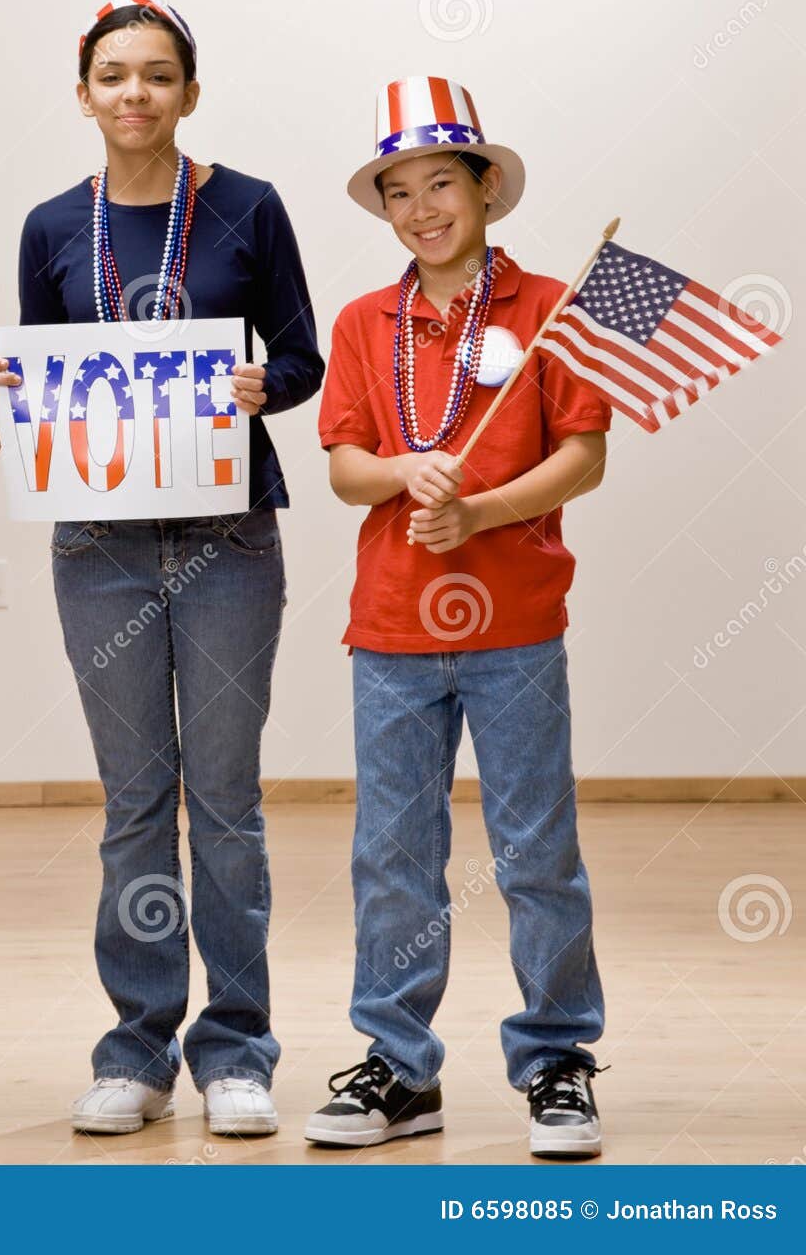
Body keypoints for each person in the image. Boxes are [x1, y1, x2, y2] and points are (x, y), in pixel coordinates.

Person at [0, 0, 324, 1137]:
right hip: (100, 544)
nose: (136, 93)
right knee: (134, 802)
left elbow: (304, 356)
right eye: (114, 75)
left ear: (190, 91)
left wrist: (265, 386)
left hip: (227, 534)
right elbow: (46, 375)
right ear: (84, 94)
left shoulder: (247, 205)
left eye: (158, 74)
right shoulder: (49, 225)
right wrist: (15, 397)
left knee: (224, 799)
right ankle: (135, 1047)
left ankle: (235, 1049)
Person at [306, 76, 610, 1158]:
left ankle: (558, 1059)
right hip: (391, 629)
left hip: (516, 624)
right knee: (393, 852)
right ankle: (398, 1065)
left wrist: (479, 509)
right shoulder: (363, 321)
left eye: (441, 182)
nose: (421, 207)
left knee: (535, 848)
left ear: (485, 188)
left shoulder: (550, 309)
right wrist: (405, 471)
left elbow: (584, 455)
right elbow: (344, 465)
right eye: (399, 191)